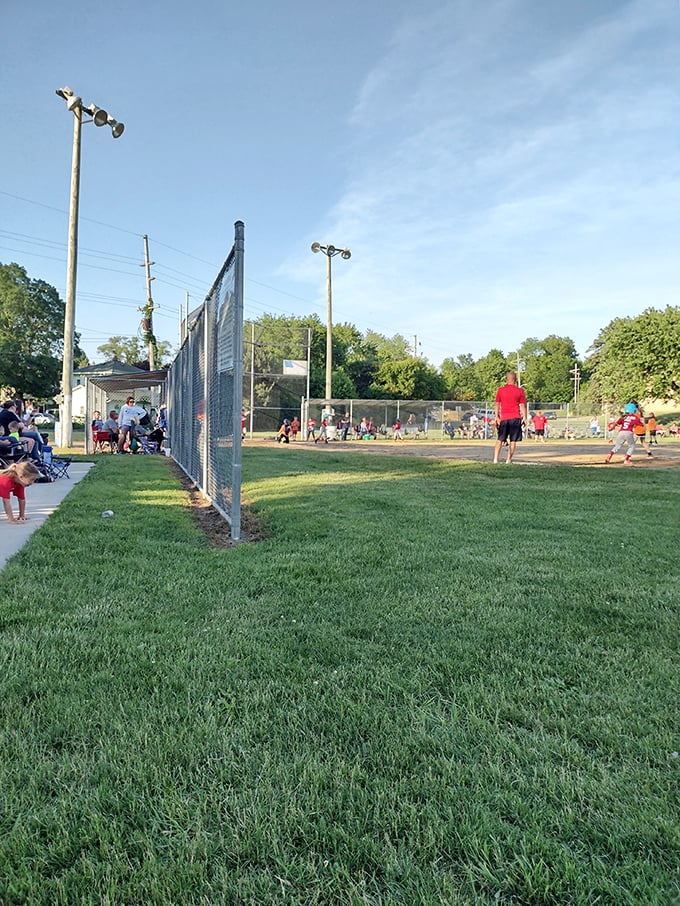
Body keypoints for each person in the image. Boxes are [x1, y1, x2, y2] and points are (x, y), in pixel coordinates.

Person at [493, 371, 527, 464]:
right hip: (515, 418)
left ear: (507, 379)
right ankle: (508, 460)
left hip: (504, 418)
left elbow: (497, 404)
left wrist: (496, 416)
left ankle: (495, 459)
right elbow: (522, 406)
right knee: (513, 440)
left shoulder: (501, 390)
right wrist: (525, 417)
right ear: (515, 380)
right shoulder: (520, 391)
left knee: (500, 439)